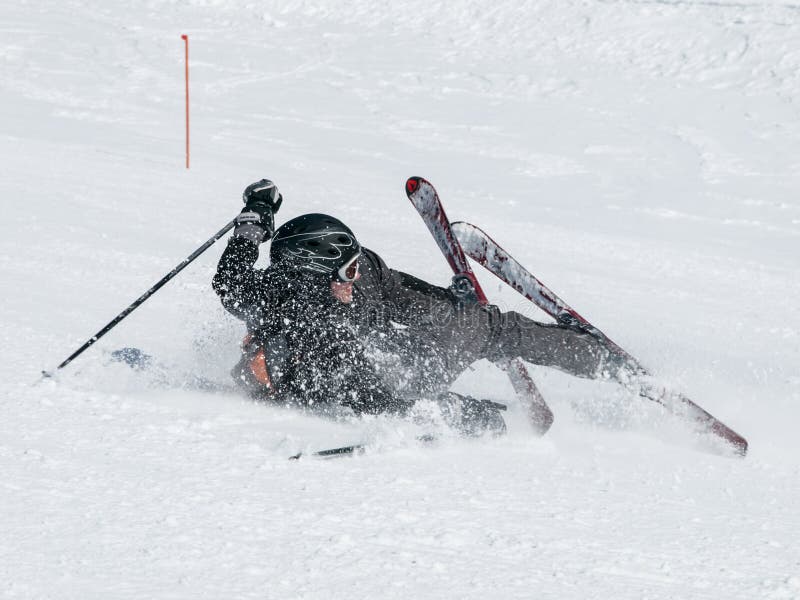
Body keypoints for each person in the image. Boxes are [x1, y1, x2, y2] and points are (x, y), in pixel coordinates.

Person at [213, 179, 634, 435]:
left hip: (397, 358)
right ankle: (594, 361)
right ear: (311, 274)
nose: (355, 275)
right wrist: (469, 417)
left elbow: (399, 294)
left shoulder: (358, 279)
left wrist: (255, 217)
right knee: (484, 333)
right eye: (347, 270)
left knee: (475, 324)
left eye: (357, 263)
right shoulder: (303, 317)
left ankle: (591, 357)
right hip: (393, 382)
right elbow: (376, 400)